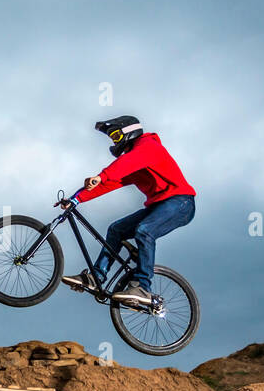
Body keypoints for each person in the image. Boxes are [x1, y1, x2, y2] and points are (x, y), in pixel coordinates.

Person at [59, 116, 196, 304]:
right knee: (116, 230)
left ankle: (142, 287)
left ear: (129, 131)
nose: (115, 141)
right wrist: (76, 198)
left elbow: (128, 162)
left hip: (181, 203)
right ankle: (96, 277)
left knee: (144, 230)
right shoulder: (134, 160)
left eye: (116, 135)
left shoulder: (148, 145)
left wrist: (102, 175)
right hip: (159, 206)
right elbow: (110, 183)